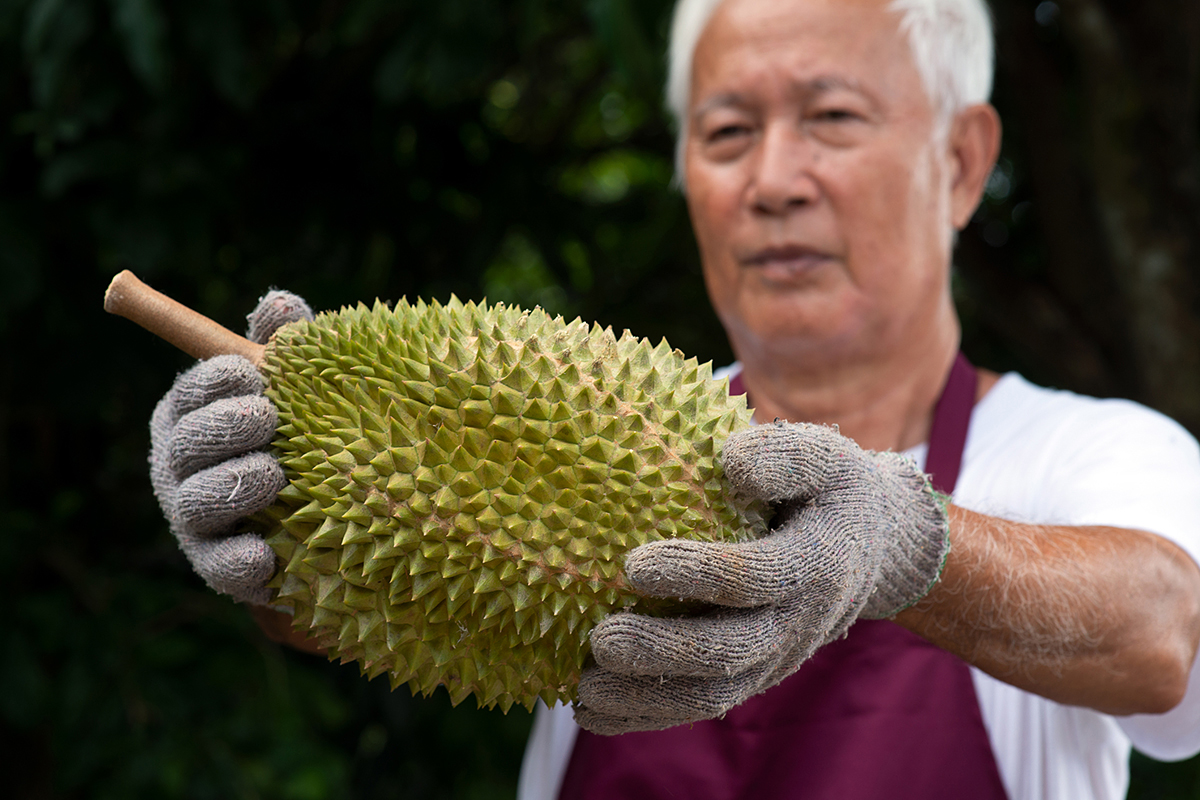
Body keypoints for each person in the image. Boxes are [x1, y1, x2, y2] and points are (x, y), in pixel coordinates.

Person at [148, 0, 1200, 797]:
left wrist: (902, 545)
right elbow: (416, 577)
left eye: (832, 116)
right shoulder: (583, 428)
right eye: (728, 132)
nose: (774, 179)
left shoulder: (1087, 450)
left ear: (964, 163)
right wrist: (271, 522)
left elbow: (1165, 633)